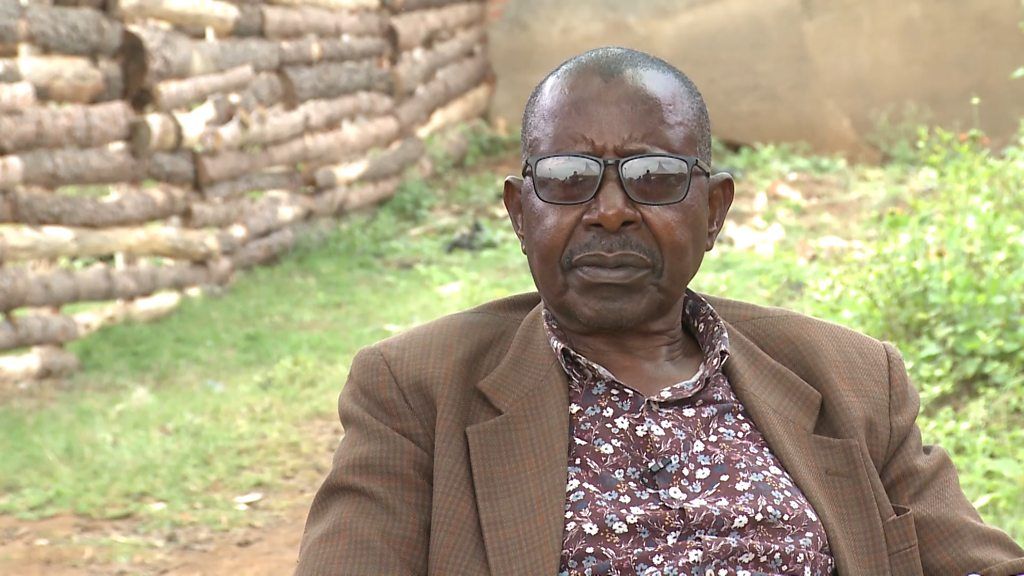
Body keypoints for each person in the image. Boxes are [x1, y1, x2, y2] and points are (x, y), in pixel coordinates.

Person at [295, 47, 1024, 575]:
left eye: (654, 177)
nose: (610, 213)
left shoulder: (853, 378)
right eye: (570, 179)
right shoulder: (415, 389)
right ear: (521, 214)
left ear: (713, 211)